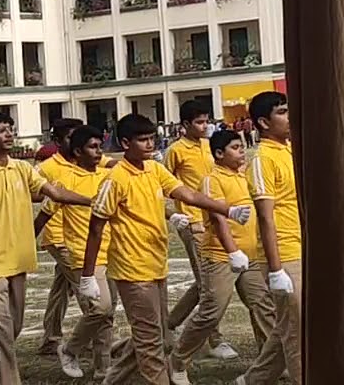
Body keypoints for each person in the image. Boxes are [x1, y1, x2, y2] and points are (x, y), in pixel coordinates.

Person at [82, 113, 253, 385]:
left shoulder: (153, 169)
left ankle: (112, 379)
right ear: (125, 143)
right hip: (131, 268)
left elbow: (187, 194)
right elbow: (96, 226)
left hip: (155, 263)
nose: (150, 145)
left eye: (152, 138)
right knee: (152, 343)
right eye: (142, 140)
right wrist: (88, 276)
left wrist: (227, 209)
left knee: (156, 337)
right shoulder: (115, 179)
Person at [0, 112, 94, 385]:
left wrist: (91, 200)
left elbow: (55, 193)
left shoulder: (21, 168)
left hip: (18, 260)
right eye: (0, 130)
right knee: (2, 330)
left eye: (10, 128)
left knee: (12, 329)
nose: (8, 134)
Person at [169, 130, 277, 385]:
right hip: (220, 256)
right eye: (235, 148)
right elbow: (217, 218)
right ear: (219, 153)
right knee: (211, 311)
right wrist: (232, 251)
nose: (241, 151)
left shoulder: (244, 175)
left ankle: (270, 361)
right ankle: (177, 360)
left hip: (250, 256)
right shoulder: (212, 179)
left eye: (242, 147)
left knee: (263, 306)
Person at [164, 100, 238, 360]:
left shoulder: (210, 146)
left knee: (205, 282)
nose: (205, 126)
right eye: (199, 122)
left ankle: (170, 323)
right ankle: (214, 339)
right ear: (185, 125)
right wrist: (175, 214)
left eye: (207, 121)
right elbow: (163, 184)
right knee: (209, 286)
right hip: (194, 222)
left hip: (217, 220)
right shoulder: (175, 151)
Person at [40, 125, 115, 380]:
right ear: (78, 151)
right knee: (100, 308)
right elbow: (43, 216)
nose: (99, 152)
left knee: (106, 312)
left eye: (100, 146)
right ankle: (69, 348)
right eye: (93, 147)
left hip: (110, 253)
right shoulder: (64, 180)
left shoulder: (108, 177)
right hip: (79, 255)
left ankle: (103, 369)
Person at [237, 91, 302, 385]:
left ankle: (254, 380)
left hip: (301, 247)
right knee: (298, 330)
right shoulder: (263, 159)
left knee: (288, 325)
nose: (289, 117)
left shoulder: (288, 151)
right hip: (284, 252)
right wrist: (275, 270)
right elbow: (265, 216)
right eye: (283, 112)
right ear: (263, 122)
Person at [35, 117, 85, 356]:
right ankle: (95, 337)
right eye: (70, 137)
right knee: (85, 286)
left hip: (78, 234)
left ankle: (50, 338)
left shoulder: (83, 160)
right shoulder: (46, 167)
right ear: (57, 141)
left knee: (61, 289)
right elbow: (34, 193)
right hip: (59, 236)